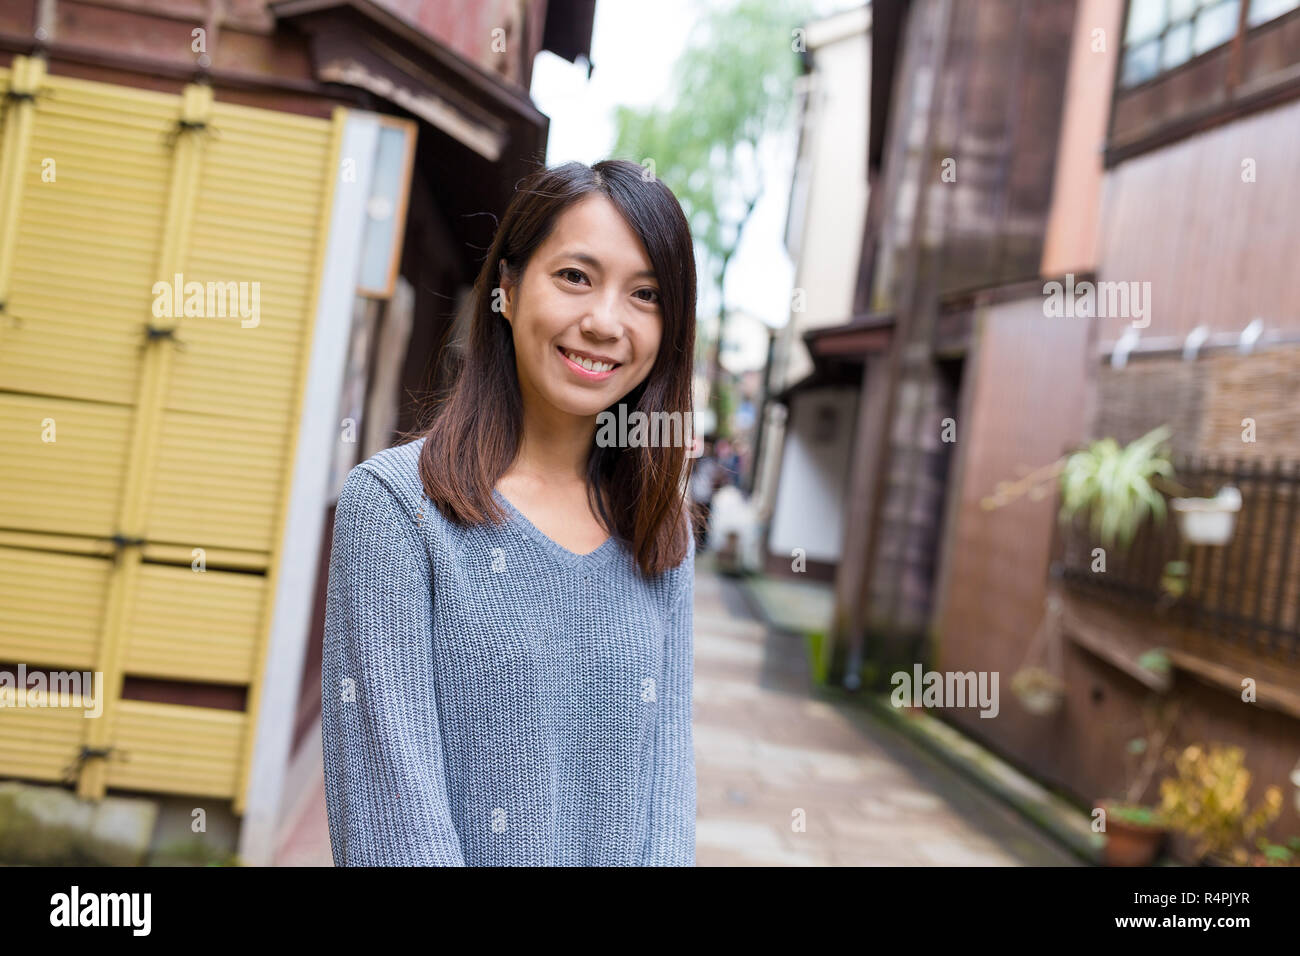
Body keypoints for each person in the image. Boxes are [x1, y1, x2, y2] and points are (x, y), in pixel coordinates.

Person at [321, 160, 698, 866]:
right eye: (576, 277)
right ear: (508, 288)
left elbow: (668, 791)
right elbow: (392, 819)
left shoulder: (660, 528)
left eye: (645, 294)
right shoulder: (399, 511)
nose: (604, 322)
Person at [688, 433, 719, 551]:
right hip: (697, 495)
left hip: (705, 496)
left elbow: (717, 479)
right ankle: (697, 543)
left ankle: (702, 545)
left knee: (704, 521)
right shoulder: (698, 461)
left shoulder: (713, 462)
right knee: (696, 520)